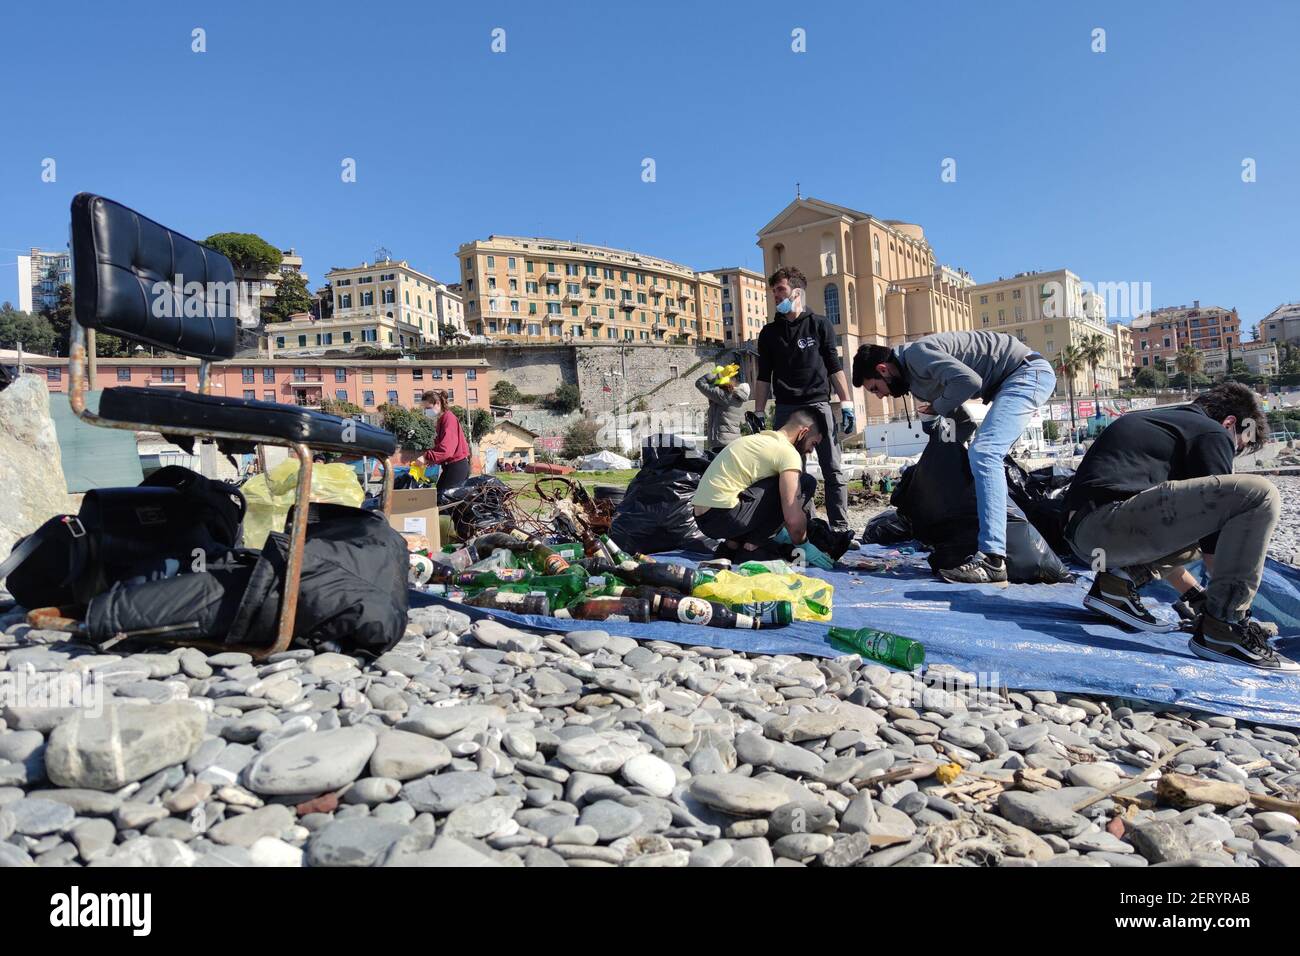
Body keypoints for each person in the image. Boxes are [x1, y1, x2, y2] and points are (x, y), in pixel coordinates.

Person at [1062, 382, 1294, 671]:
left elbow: (1175, 531)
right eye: (1239, 445)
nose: (1232, 453)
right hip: (1107, 526)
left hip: (1092, 540)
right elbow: (1216, 544)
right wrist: (1224, 612)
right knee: (1259, 494)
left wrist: (1195, 596)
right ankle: (1225, 632)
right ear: (1231, 423)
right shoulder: (1211, 433)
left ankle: (1116, 584)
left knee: (1217, 518)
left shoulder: (1172, 425)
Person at [853, 330, 1056, 587]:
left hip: (1026, 373)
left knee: (984, 453)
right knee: (981, 454)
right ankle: (992, 551)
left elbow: (969, 381)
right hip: (1011, 380)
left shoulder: (917, 355)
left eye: (875, 389)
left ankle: (993, 560)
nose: (880, 395)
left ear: (883, 369)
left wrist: (937, 407)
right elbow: (965, 424)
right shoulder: (917, 383)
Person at [749, 267, 854, 533]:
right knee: (791, 470)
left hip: (818, 405)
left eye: (780, 290)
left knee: (832, 468)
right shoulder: (769, 333)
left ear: (796, 292)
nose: (775, 296)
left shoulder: (820, 325)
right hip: (786, 408)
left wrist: (847, 404)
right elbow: (763, 376)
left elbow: (834, 366)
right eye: (773, 291)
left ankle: (840, 528)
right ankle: (807, 527)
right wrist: (759, 412)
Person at [692, 409, 821, 558]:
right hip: (725, 516)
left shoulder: (754, 440)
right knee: (806, 482)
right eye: (813, 443)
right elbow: (792, 518)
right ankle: (752, 546)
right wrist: (803, 545)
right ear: (803, 432)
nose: (811, 450)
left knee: (768, 483)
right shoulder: (787, 452)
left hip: (702, 519)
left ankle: (731, 545)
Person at [421, 389, 470, 499]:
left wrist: (427, 457)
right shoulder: (442, 419)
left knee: (444, 502)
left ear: (438, 403)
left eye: (428, 408)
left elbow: (446, 449)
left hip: (457, 466)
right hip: (450, 466)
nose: (426, 411)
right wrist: (432, 459)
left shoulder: (448, 419)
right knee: (439, 499)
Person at [695, 362, 751, 452]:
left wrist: (715, 376)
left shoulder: (724, 396)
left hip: (721, 443)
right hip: (733, 442)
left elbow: (699, 383)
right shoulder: (736, 397)